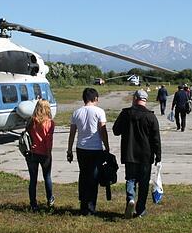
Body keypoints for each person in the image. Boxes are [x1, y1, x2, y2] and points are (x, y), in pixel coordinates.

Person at [113, 89, 162, 218]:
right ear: (146, 100)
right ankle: (140, 210)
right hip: (146, 156)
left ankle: (130, 199)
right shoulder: (151, 116)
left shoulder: (125, 114)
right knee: (144, 183)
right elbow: (156, 139)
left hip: (129, 154)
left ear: (135, 98)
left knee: (130, 179)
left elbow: (115, 131)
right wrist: (158, 156)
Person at [67, 87, 110, 215]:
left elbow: (72, 133)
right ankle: (90, 207)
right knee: (94, 178)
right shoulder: (99, 112)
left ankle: (83, 204)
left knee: (83, 175)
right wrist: (107, 147)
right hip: (95, 149)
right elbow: (103, 130)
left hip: (81, 148)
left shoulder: (76, 112)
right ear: (95, 98)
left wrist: (69, 150)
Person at [25, 99, 55, 211]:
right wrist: (48, 153)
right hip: (44, 153)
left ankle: (33, 203)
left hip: (32, 153)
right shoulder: (50, 123)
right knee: (47, 177)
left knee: (33, 179)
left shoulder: (31, 121)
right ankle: (50, 199)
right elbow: (49, 140)